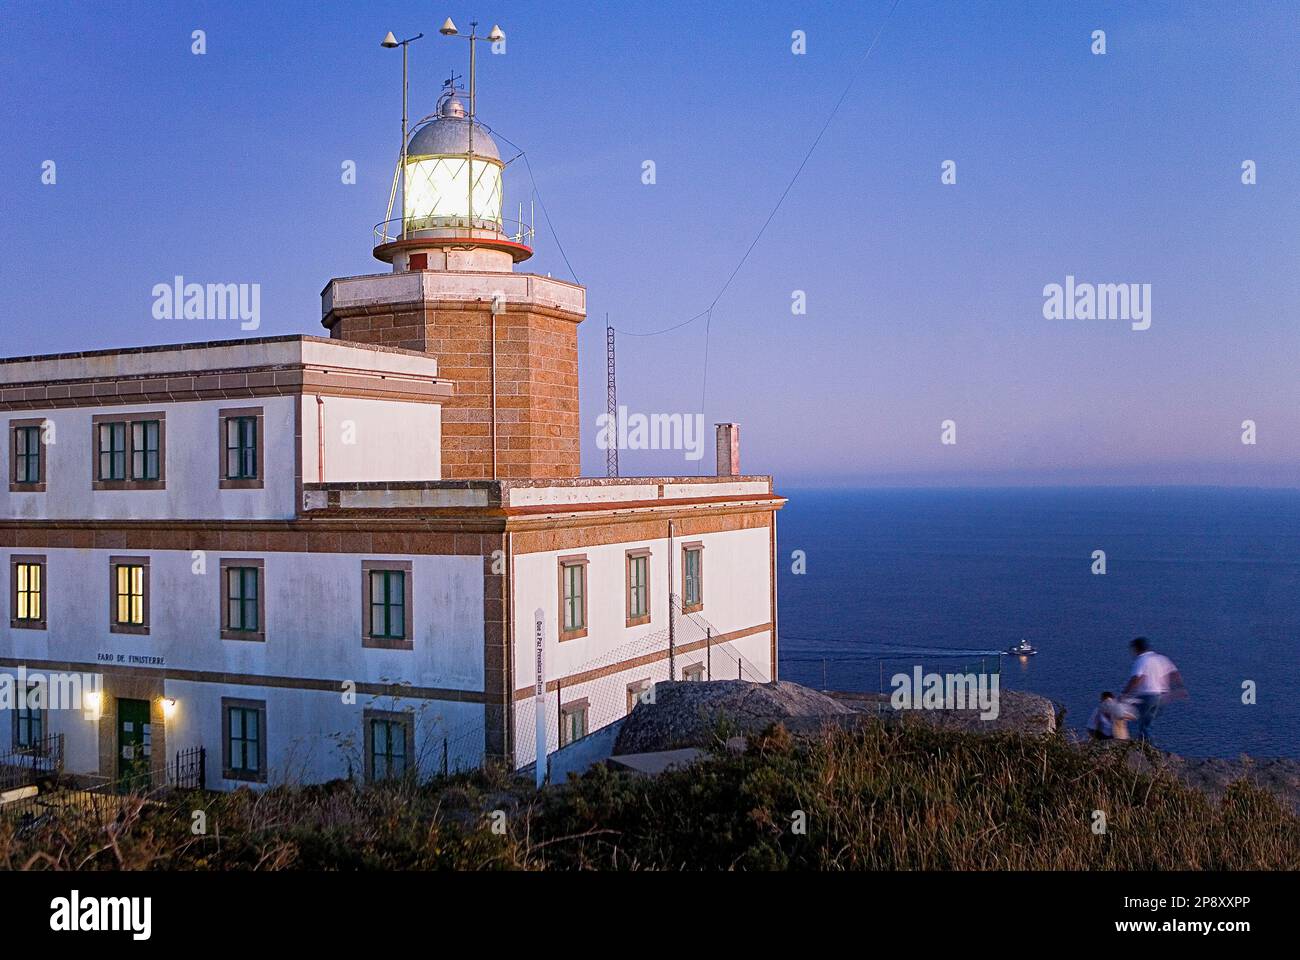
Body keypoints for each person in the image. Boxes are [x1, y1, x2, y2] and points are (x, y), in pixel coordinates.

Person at [1121, 636, 1185, 745]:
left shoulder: (1141, 660)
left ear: (1136, 648)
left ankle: (1145, 749)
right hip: (1161, 697)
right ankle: (1147, 749)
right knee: (1147, 724)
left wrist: (1125, 694)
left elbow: (1137, 678)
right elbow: (1175, 673)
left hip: (1147, 696)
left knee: (1135, 723)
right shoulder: (1161, 658)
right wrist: (1180, 688)